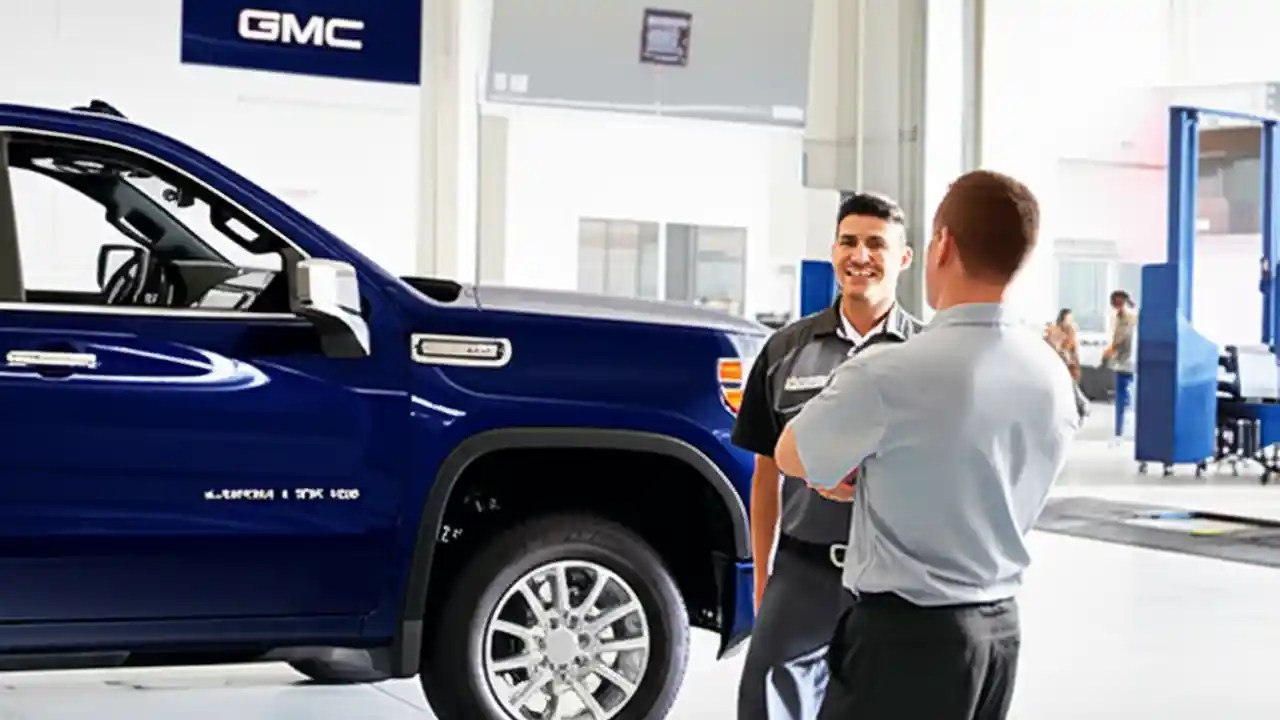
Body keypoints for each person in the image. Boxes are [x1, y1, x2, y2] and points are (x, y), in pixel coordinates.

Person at [773, 169, 1084, 720]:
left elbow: (792, 454)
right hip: (998, 637)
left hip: (905, 639)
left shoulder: (889, 371)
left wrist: (858, 476)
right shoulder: (1051, 373)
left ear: (941, 246)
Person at [730, 192, 922, 720]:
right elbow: (765, 474)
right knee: (766, 705)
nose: (860, 255)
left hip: (895, 574)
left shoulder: (927, 357)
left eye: (876, 244)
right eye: (849, 242)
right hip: (804, 569)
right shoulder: (785, 350)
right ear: (833, 251)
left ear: (904, 258)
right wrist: (764, 576)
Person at [1101, 290, 1137, 443]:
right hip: (1127, 362)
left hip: (1127, 362)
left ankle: (1121, 431)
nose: (1114, 306)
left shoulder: (1127, 316)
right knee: (1125, 398)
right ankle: (1121, 430)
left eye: (1115, 302)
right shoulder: (1126, 315)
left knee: (1124, 399)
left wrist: (1108, 353)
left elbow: (1120, 340)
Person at [1044, 308, 1080, 381]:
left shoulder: (1071, 333)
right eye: (1068, 320)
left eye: (1071, 320)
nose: (1071, 323)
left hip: (1070, 370)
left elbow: (1074, 353)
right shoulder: (1054, 332)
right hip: (1057, 368)